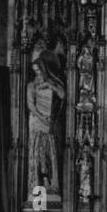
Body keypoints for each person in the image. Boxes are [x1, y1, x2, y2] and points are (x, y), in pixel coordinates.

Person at [27, 49, 66, 198]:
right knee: (38, 154)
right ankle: (38, 196)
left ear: (44, 70)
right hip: (37, 123)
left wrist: (51, 86)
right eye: (35, 71)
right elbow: (31, 105)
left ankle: (51, 187)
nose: (37, 74)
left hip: (50, 124)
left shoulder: (52, 83)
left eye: (39, 71)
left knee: (50, 154)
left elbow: (63, 95)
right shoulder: (32, 85)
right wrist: (41, 117)